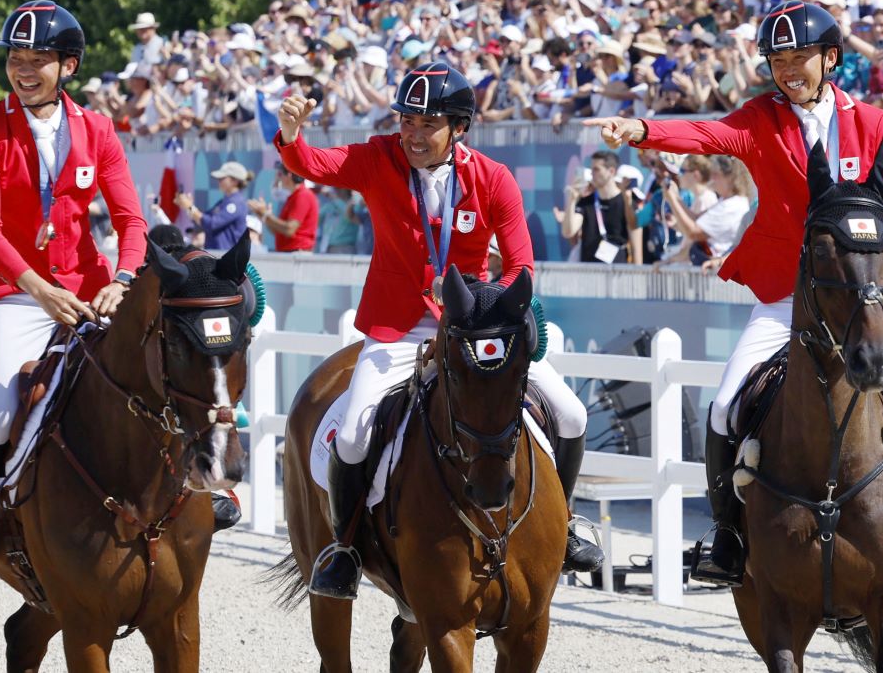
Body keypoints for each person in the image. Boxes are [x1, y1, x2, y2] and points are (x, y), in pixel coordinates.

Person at [584, 0, 883, 585]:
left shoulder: (873, 124)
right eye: (777, 58)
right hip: (787, 299)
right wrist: (641, 130)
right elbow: (706, 133)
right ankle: (730, 537)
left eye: (800, 56)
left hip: (860, 300)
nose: (788, 69)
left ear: (830, 57)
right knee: (726, 403)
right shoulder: (761, 119)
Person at [274, 61, 603, 600]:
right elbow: (313, 162)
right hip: (397, 327)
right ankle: (346, 547)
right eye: (406, 120)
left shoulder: (493, 178)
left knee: (571, 414)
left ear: (458, 128)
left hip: (470, 326)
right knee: (354, 434)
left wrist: (489, 311)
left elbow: (521, 265)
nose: (412, 134)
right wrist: (291, 135)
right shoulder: (378, 158)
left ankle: (562, 525)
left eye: (427, 124)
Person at [0, 0, 149, 577]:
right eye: (16, 57)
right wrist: (36, 288)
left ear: (70, 66)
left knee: (159, 365)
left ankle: (204, 485)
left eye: (39, 59)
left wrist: (126, 278)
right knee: (4, 409)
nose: (24, 69)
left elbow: (132, 222)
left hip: (91, 287)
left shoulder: (98, 130)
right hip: (16, 293)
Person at [560, 150, 643, 264]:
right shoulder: (586, 201)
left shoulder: (626, 202)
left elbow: (636, 248)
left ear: (611, 171)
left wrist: (637, 277)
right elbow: (568, 232)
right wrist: (572, 201)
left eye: (596, 169)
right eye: (591, 169)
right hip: (589, 273)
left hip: (618, 274)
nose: (591, 174)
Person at [175, 161, 249, 250]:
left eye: (222, 178)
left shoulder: (236, 203)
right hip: (219, 254)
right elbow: (204, 220)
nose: (219, 181)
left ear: (235, 181)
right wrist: (189, 207)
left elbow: (211, 223)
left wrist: (190, 207)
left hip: (227, 256)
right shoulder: (225, 201)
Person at [247, 164, 318, 252]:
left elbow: (289, 230)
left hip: (297, 254)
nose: (278, 179)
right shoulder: (294, 197)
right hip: (291, 253)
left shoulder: (303, 195)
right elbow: (278, 230)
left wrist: (266, 214)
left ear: (289, 175)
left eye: (280, 175)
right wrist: (262, 215)